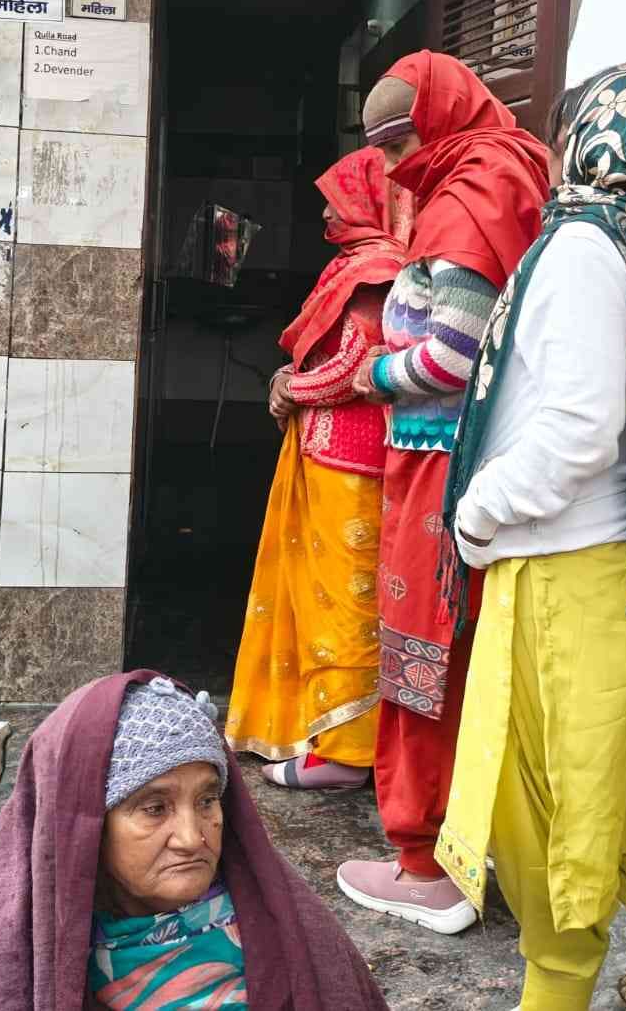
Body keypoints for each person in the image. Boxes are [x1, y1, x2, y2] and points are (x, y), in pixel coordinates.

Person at [437, 62, 626, 1010]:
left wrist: (477, 509)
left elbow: (576, 425)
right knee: (608, 806)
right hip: (607, 573)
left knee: (554, 823)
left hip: (565, 575)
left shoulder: (581, 248)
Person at [336, 50, 549, 932]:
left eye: (398, 142)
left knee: (422, 660)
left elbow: (449, 359)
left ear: (439, 123)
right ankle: (471, 844)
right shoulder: (506, 172)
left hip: (440, 466)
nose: (389, 167)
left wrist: (368, 372)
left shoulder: (468, 201)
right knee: (460, 660)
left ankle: (426, 865)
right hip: (478, 465)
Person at [0, 671, 391, 1010]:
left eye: (209, 801)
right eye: (155, 808)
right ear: (86, 827)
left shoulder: (291, 933)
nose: (193, 839)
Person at [225, 146, 414, 789]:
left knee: (346, 602)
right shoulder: (355, 266)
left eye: (337, 198)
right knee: (316, 595)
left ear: (365, 199)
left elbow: (357, 366)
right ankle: (320, 731)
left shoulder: (379, 271)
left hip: (354, 457)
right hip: (328, 451)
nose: (328, 212)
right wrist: (293, 383)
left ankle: (346, 753)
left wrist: (289, 385)